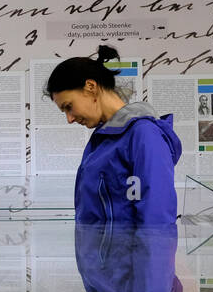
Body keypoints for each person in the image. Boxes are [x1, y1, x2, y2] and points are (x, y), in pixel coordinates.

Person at [46, 44, 182, 226]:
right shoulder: (103, 141)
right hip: (102, 254)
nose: (69, 119)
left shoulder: (144, 134)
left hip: (127, 255)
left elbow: (156, 218)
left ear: (90, 87)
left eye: (68, 106)